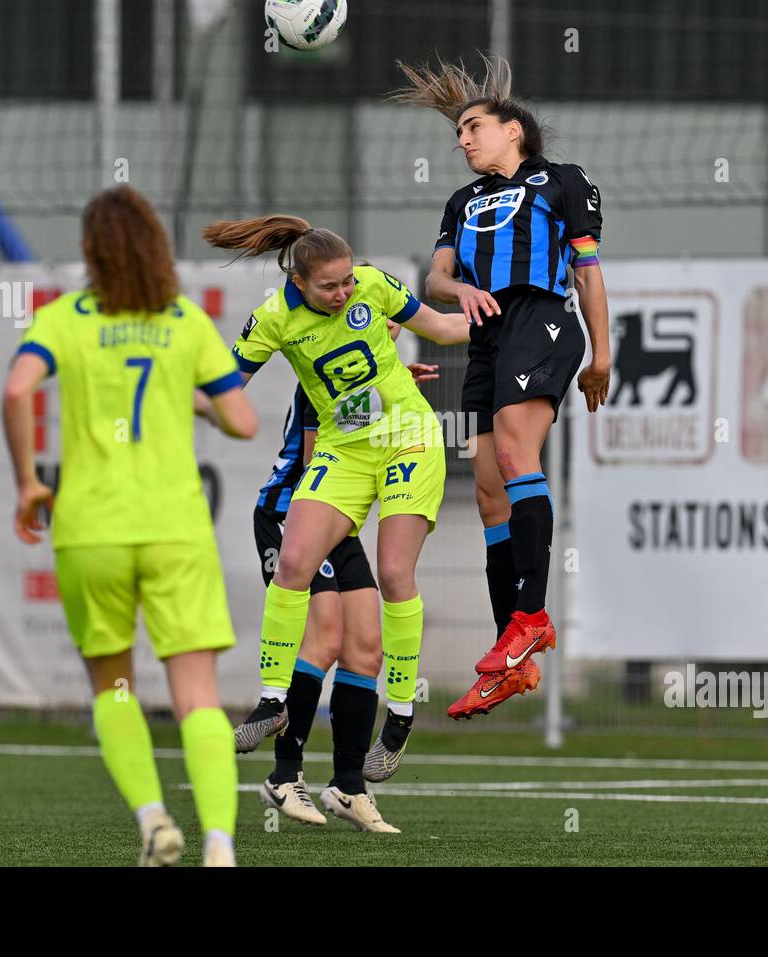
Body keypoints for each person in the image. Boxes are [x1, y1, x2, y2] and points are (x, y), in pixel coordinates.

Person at [2, 185, 257, 866]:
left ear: (91, 250)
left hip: (91, 530)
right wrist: (196, 403)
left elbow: (16, 388)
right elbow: (243, 421)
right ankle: (221, 845)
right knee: (197, 693)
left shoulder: (64, 319)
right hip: (176, 528)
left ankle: (153, 822)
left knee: (113, 687)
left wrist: (30, 481)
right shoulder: (182, 320)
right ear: (155, 247)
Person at [201, 214, 470, 831]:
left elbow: (440, 328)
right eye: (331, 287)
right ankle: (273, 707)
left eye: (349, 281)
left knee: (395, 576)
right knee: (294, 566)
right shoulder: (274, 319)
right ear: (298, 281)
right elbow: (227, 385)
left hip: (407, 438)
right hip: (342, 453)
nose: (345, 292)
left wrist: (503, 318)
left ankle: (398, 718)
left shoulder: (372, 286)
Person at [390, 52, 612, 718]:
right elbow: (435, 279)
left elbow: (589, 272)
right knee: (490, 489)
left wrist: (603, 354)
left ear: (513, 129)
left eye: (474, 127)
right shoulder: (461, 201)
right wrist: (458, 289)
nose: (462, 140)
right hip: (487, 337)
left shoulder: (562, 182)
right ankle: (506, 656)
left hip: (540, 319)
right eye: (458, 132)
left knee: (518, 458)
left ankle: (532, 620)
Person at [196, 351, 440, 827]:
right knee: (325, 638)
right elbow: (316, 460)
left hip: (339, 529)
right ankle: (285, 775)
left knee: (367, 648)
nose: (389, 328)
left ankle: (349, 786)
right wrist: (375, 403)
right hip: (292, 512)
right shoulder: (326, 370)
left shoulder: (372, 372)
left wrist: (390, 394)